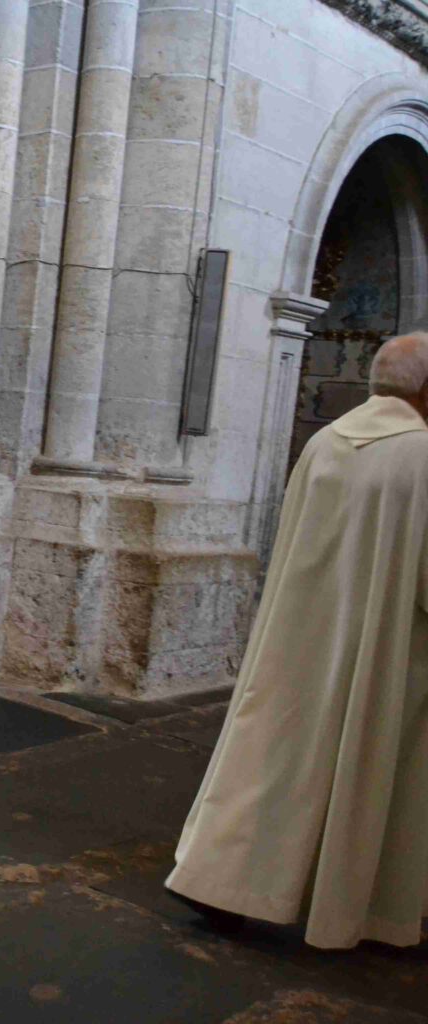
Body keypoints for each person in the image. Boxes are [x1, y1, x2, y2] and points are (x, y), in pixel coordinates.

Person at [165, 332, 428, 949]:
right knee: (369, 773)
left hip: (301, 633)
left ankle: (220, 881)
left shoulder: (324, 440)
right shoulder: (422, 455)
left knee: (275, 761)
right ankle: (363, 909)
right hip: (384, 650)